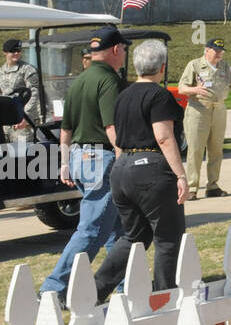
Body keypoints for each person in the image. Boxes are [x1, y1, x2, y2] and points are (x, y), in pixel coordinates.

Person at [92, 39, 187, 303]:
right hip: (151, 168)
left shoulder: (123, 96)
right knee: (168, 237)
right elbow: (164, 137)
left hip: (122, 169)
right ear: (162, 67)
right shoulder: (159, 95)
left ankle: (96, 289)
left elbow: (116, 135)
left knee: (135, 236)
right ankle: (166, 297)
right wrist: (180, 174)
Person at [39, 26, 128, 306]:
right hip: (100, 158)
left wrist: (65, 164)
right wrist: (124, 158)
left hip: (79, 158)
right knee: (91, 230)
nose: (125, 54)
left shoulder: (79, 81)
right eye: (124, 49)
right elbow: (111, 125)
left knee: (116, 229)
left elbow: (65, 128)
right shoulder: (109, 80)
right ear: (115, 50)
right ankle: (54, 288)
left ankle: (128, 284)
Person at [176, 38, 231, 200]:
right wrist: (195, 89)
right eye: (216, 51)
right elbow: (181, 88)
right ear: (207, 50)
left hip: (218, 109)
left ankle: (212, 186)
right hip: (198, 109)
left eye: (221, 52)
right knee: (196, 149)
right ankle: (192, 187)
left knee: (216, 149)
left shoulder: (224, 66)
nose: (219, 54)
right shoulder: (195, 65)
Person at [0, 38, 45, 144]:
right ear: (5, 53)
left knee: (22, 157)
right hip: (5, 123)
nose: (16, 53)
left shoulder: (27, 70)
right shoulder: (1, 71)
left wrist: (24, 117)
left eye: (18, 51)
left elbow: (34, 95)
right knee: (7, 157)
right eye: (12, 51)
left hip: (22, 123)